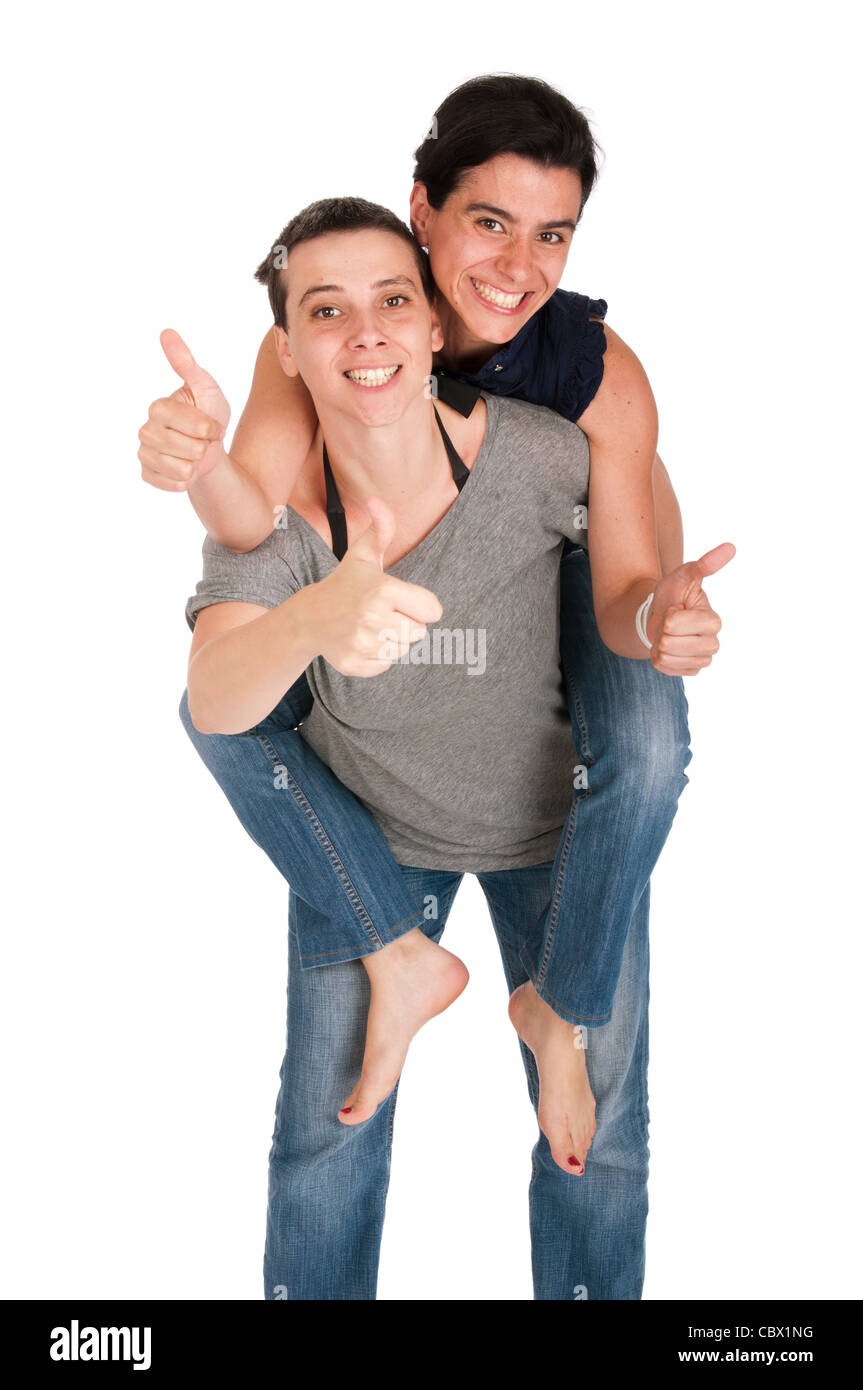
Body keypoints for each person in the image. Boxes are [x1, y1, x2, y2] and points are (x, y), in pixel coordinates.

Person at [181, 197, 731, 1299]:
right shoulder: (280, 516)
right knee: (325, 1132)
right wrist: (310, 620)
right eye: (326, 312)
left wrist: (661, 611)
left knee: (599, 1143)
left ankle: (549, 1014)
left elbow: (625, 570)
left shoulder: (538, 457)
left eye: (392, 300)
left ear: (434, 324)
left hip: (553, 835)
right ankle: (397, 950)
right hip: (376, 844)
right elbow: (211, 702)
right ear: (286, 352)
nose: (367, 331)